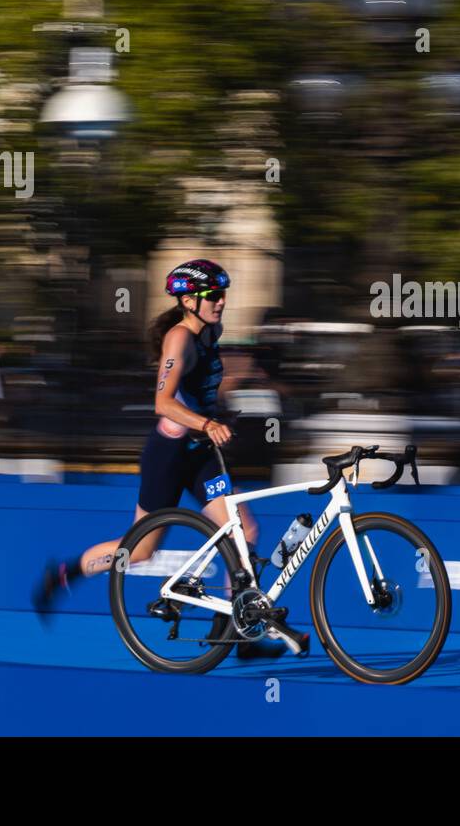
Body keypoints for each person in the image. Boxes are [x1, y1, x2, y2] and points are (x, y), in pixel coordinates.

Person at [32, 258, 293, 658]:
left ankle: (236, 629)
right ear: (189, 301)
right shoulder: (179, 338)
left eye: (224, 295)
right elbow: (163, 402)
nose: (222, 303)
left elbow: (200, 389)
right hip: (169, 456)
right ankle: (64, 573)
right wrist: (206, 424)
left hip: (200, 454)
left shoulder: (211, 331)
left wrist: (218, 415)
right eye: (214, 296)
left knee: (245, 530)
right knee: (139, 552)